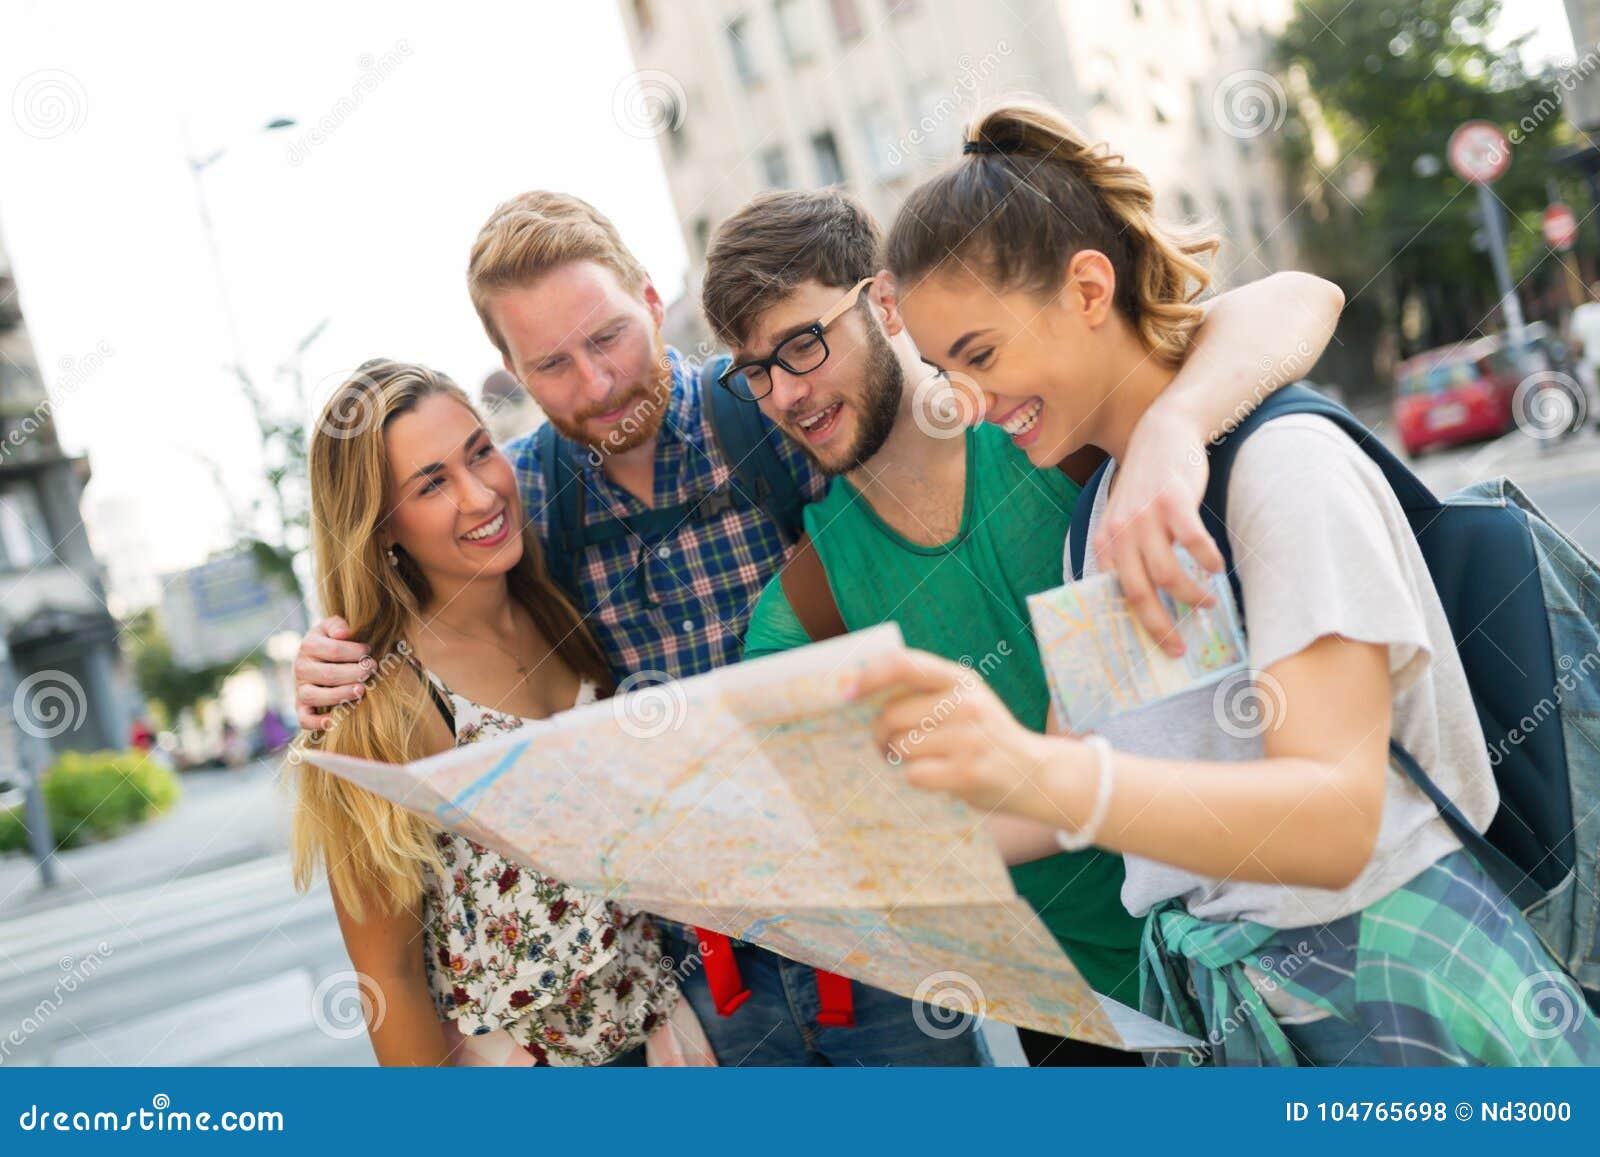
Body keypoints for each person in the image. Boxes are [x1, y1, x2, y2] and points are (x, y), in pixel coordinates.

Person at [293, 187, 1333, 1066]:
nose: (596, 380)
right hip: (713, 985)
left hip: (898, 956)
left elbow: (1279, 305)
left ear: (652, 303)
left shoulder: (787, 411)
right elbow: (409, 564)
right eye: (552, 365)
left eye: (608, 335)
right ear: (515, 378)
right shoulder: (518, 505)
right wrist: (332, 658)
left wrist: (1169, 435)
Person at [859, 99, 1600, 1065]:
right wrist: (858, 855)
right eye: (940, 367)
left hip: (1402, 1006)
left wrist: (1045, 774)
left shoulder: (1279, 466)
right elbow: (1055, 788)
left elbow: (1337, 818)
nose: (963, 400)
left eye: (980, 355)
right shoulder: (1100, 518)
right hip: (1262, 1022)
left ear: (1090, 290)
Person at [710, 187, 1341, 1065]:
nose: (785, 392)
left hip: (1277, 939)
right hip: (1092, 1022)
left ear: (883, 302)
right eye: (755, 370)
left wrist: (1174, 426)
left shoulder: (1043, 423)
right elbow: (768, 790)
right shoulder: (813, 594)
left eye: (803, 344)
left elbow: (1301, 298)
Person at [289, 360, 676, 1066]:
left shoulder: (554, 603)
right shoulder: (378, 706)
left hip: (664, 1040)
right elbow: (390, 982)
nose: (480, 493)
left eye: (479, 452)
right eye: (432, 483)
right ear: (381, 529)